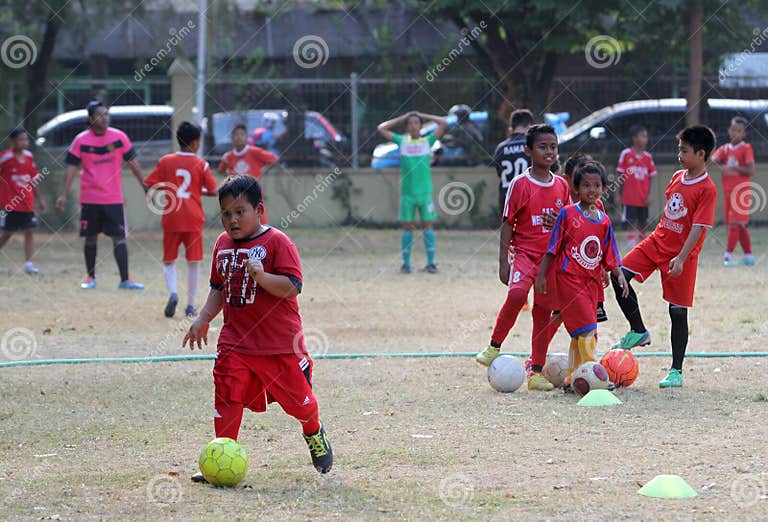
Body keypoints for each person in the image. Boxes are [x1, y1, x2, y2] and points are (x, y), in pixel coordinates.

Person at [183, 175, 332, 481]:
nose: (232, 220)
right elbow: (218, 288)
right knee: (227, 394)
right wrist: (203, 318)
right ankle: (221, 454)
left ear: (259, 210)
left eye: (240, 212)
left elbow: (292, 287)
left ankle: (313, 431)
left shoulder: (278, 242)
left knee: (300, 405)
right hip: (235, 342)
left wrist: (262, 278)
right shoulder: (222, 244)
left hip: (278, 344)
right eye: (226, 213)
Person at [610, 126, 718, 388]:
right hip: (656, 243)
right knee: (619, 275)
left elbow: (698, 227)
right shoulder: (678, 176)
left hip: (681, 256)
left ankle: (676, 371)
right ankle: (638, 330)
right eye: (679, 149)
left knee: (677, 312)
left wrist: (680, 258)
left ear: (701, 154)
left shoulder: (707, 189)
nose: (679, 155)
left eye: (684, 151)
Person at [475, 124, 570, 391]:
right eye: (542, 147)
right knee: (517, 295)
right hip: (525, 254)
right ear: (528, 151)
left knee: (543, 312)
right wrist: (503, 261)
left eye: (553, 146)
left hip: (549, 259)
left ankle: (536, 372)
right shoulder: (520, 184)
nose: (549, 152)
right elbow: (507, 223)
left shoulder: (562, 185)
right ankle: (494, 347)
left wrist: (560, 222)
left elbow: (569, 224)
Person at [536, 161, 628, 391]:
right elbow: (553, 247)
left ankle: (572, 378)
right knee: (587, 329)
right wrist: (541, 275)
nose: (592, 190)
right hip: (569, 279)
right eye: (586, 185)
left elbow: (610, 252)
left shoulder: (604, 220)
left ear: (603, 188)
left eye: (596, 185)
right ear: (576, 188)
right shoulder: (567, 214)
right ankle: (592, 376)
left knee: (581, 334)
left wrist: (618, 274)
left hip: (591, 283)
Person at [56, 101, 146, 290]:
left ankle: (125, 280)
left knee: (119, 237)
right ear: (91, 119)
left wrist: (145, 186)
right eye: (100, 114)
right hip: (90, 198)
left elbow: (133, 164)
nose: (105, 118)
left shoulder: (119, 137)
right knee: (90, 238)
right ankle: (90, 278)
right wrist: (63, 194)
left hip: (113, 199)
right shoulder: (81, 140)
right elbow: (71, 169)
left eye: (107, 114)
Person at [144, 121, 218, 318]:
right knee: (193, 261)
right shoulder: (201, 164)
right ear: (194, 143)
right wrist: (197, 191)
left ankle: (173, 293)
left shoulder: (166, 161)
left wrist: (164, 190)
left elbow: (149, 183)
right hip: (193, 218)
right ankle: (191, 306)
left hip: (172, 217)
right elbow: (213, 190)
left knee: (169, 260)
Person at [377, 111, 447, 274]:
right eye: (410, 123)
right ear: (406, 128)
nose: (413, 126)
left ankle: (431, 263)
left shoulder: (427, 141)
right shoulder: (402, 142)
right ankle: (406, 264)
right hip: (408, 194)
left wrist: (422, 115)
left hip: (425, 193)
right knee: (407, 228)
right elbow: (381, 128)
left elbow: (443, 123)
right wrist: (404, 117)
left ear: (421, 126)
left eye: (416, 123)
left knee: (427, 226)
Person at [0, 128, 46, 274]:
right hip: (10, 203)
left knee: (29, 231)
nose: (24, 142)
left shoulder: (29, 156)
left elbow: (34, 179)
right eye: (21, 139)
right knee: (7, 233)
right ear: (13, 141)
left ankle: (29, 264)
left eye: (26, 139)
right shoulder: (5, 157)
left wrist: (40, 199)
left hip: (27, 203)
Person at [711, 116, 755, 266]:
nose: (735, 133)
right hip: (728, 191)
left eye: (739, 131)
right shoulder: (725, 149)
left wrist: (733, 167)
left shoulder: (746, 148)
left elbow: (750, 170)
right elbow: (712, 160)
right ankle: (749, 256)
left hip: (740, 192)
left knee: (735, 224)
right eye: (733, 129)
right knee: (739, 225)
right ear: (729, 130)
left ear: (744, 133)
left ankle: (727, 256)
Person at [219, 123, 278, 224]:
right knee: (239, 223)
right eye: (236, 135)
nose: (239, 137)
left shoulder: (254, 152)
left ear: (247, 137)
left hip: (253, 193)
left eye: (242, 134)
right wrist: (229, 177)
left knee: (261, 223)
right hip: (236, 195)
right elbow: (221, 170)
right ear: (231, 137)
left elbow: (274, 159)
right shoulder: (228, 156)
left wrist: (264, 170)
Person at [615, 125, 657, 248]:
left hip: (643, 197)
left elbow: (652, 176)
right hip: (629, 197)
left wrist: (650, 194)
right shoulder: (625, 154)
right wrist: (617, 194)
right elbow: (619, 176)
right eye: (643, 136)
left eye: (646, 137)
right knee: (631, 221)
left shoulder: (648, 157)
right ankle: (631, 245)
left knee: (643, 222)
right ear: (634, 138)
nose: (645, 139)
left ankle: (643, 244)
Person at [494, 109, 534, 215]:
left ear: (512, 127)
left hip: (506, 201)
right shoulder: (532, 146)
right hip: (528, 200)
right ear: (530, 126)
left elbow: (499, 175)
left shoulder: (500, 148)